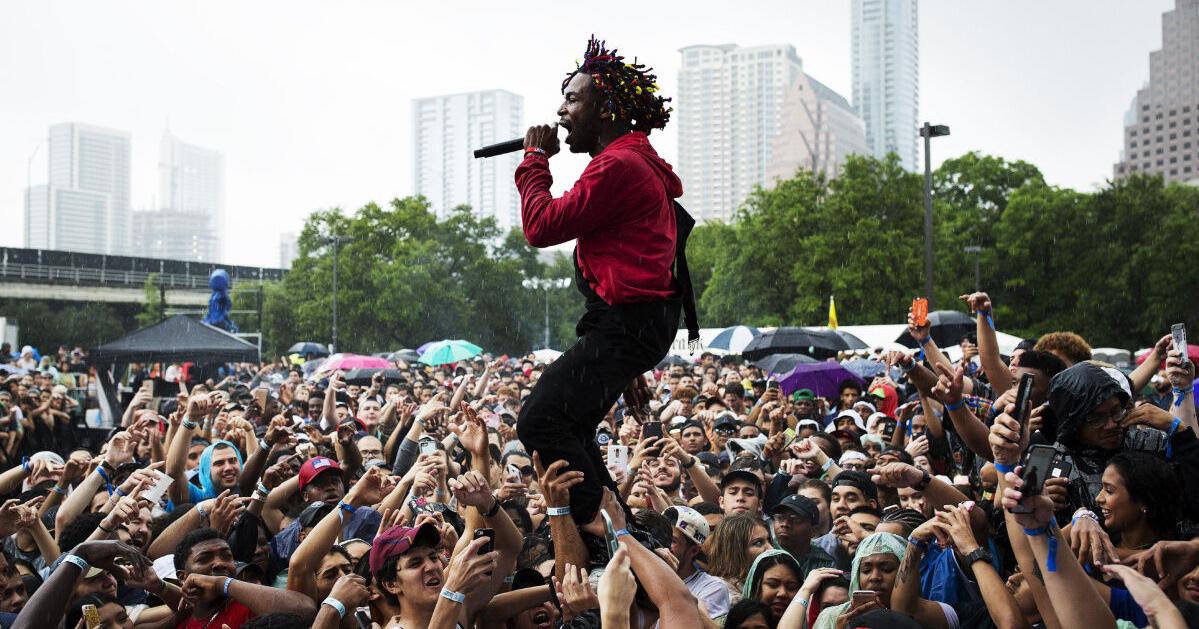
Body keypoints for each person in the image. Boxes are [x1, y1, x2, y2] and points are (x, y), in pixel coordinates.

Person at [514, 35, 697, 525]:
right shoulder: (632, 162)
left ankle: (601, 523)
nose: (561, 109)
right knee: (570, 424)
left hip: (625, 326)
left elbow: (541, 226)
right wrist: (626, 364)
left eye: (573, 98)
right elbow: (635, 271)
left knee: (540, 420)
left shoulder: (618, 165)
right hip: (629, 326)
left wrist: (535, 161)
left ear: (606, 107)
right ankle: (615, 519)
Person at [664, 506, 729, 620]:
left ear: (693, 551)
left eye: (672, 540)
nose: (663, 543)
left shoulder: (713, 588)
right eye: (661, 535)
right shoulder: (645, 575)